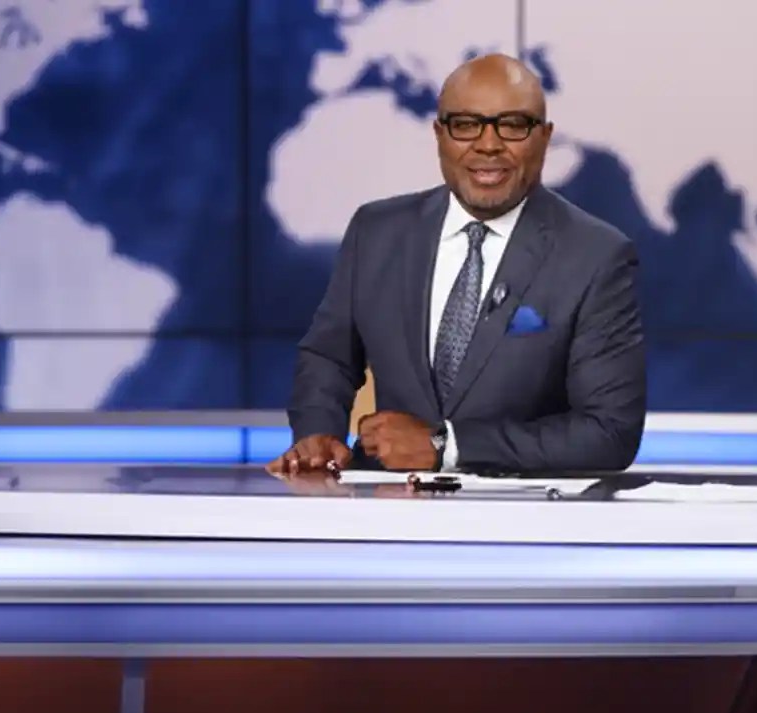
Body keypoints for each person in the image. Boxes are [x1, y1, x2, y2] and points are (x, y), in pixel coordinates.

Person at [269, 53, 646, 477]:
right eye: (466, 124)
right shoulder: (376, 231)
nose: (488, 144)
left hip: (525, 525)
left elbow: (609, 433)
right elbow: (329, 356)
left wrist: (446, 446)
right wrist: (319, 434)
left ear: (545, 137)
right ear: (439, 134)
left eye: (513, 125)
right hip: (384, 514)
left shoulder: (595, 255)